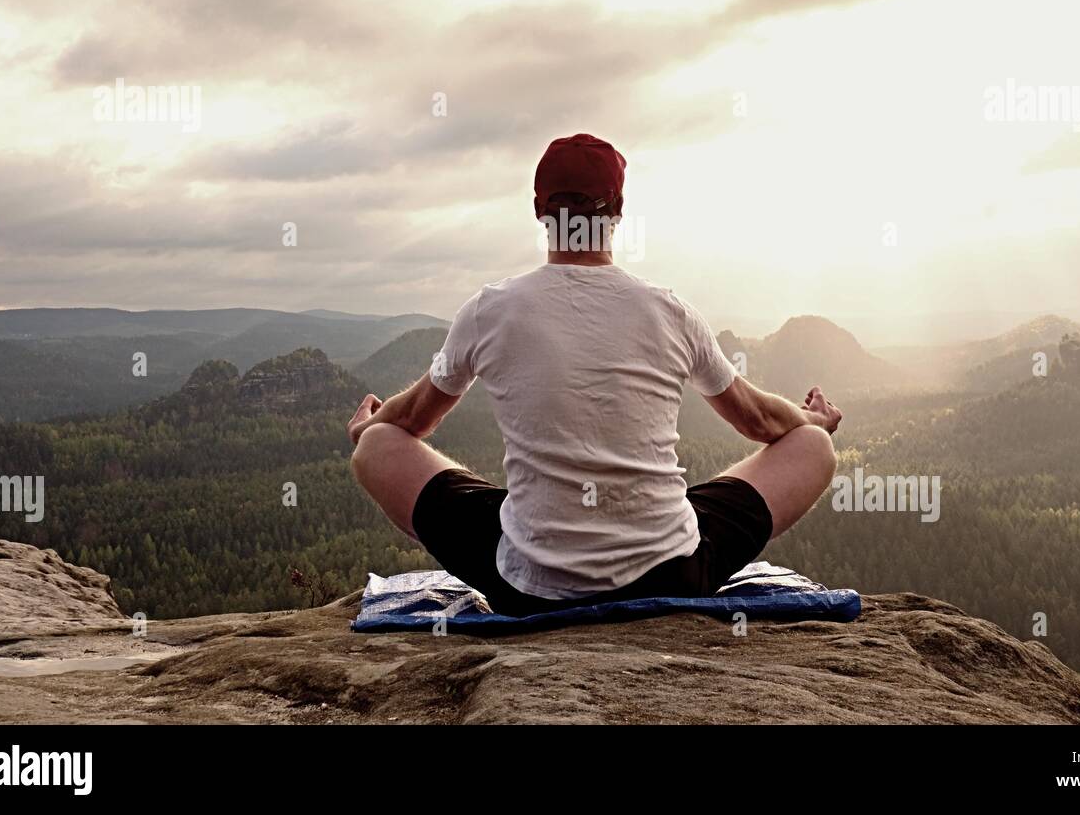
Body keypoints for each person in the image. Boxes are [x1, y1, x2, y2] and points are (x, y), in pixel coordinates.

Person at [348, 133, 841, 616]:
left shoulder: (490, 311)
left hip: (528, 589)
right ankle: (646, 530)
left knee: (376, 448)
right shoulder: (669, 312)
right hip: (673, 571)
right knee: (813, 447)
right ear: (618, 212)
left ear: (541, 211)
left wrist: (369, 426)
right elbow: (758, 420)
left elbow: (413, 419)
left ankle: (546, 533)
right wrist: (812, 422)